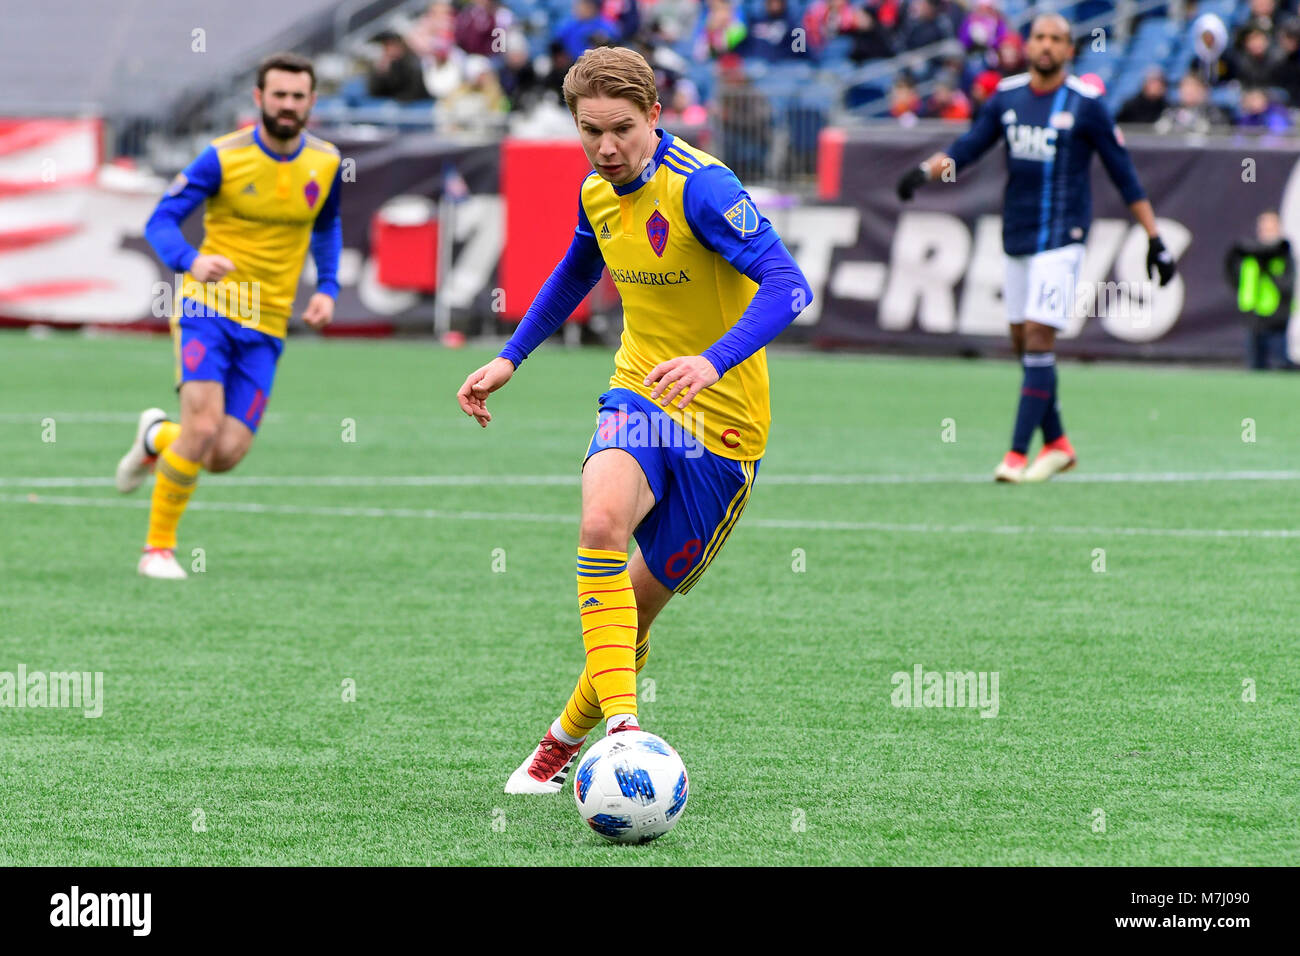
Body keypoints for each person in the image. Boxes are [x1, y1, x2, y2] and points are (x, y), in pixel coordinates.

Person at [455, 46, 812, 793]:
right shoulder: (596, 190)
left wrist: (712, 362)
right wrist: (512, 356)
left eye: (621, 128)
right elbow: (578, 269)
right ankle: (624, 731)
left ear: (655, 115)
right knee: (600, 526)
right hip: (641, 398)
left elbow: (788, 284)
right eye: (590, 131)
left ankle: (560, 740)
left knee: (632, 622)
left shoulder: (704, 189)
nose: (606, 147)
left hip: (725, 435)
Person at [896, 13, 1178, 484]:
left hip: (1063, 239)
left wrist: (1154, 238)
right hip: (1018, 236)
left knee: (1039, 337)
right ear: (1028, 45)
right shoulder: (1007, 97)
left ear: (1070, 50)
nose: (1046, 45)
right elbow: (968, 148)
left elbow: (1122, 172)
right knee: (1023, 344)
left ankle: (1013, 455)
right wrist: (925, 172)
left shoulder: (1086, 105)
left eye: (1057, 39)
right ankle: (1060, 444)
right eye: (1040, 37)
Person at [118, 53, 341, 579]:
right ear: (259, 99)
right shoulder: (222, 156)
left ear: (311, 101)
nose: (288, 105)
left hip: (268, 321)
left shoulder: (327, 161)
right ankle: (157, 549)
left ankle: (155, 438)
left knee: (222, 453)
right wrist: (192, 260)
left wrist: (328, 287)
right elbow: (162, 220)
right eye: (279, 95)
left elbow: (327, 226)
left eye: (298, 96)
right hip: (209, 306)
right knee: (201, 427)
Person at [1225, 210, 1295, 370]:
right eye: (1263, 228)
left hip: (1277, 317)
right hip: (1253, 317)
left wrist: (1269, 270)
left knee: (1280, 365)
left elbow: (1287, 285)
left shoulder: (1283, 253)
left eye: (1271, 228)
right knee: (1255, 367)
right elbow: (1235, 277)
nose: (1266, 233)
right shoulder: (1249, 254)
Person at [367, 30, 430, 101]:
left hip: (413, 105)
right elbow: (374, 92)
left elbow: (416, 92)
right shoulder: (384, 64)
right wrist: (380, 73)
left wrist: (398, 101)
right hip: (392, 103)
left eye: (391, 44)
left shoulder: (413, 62)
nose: (388, 49)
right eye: (386, 46)